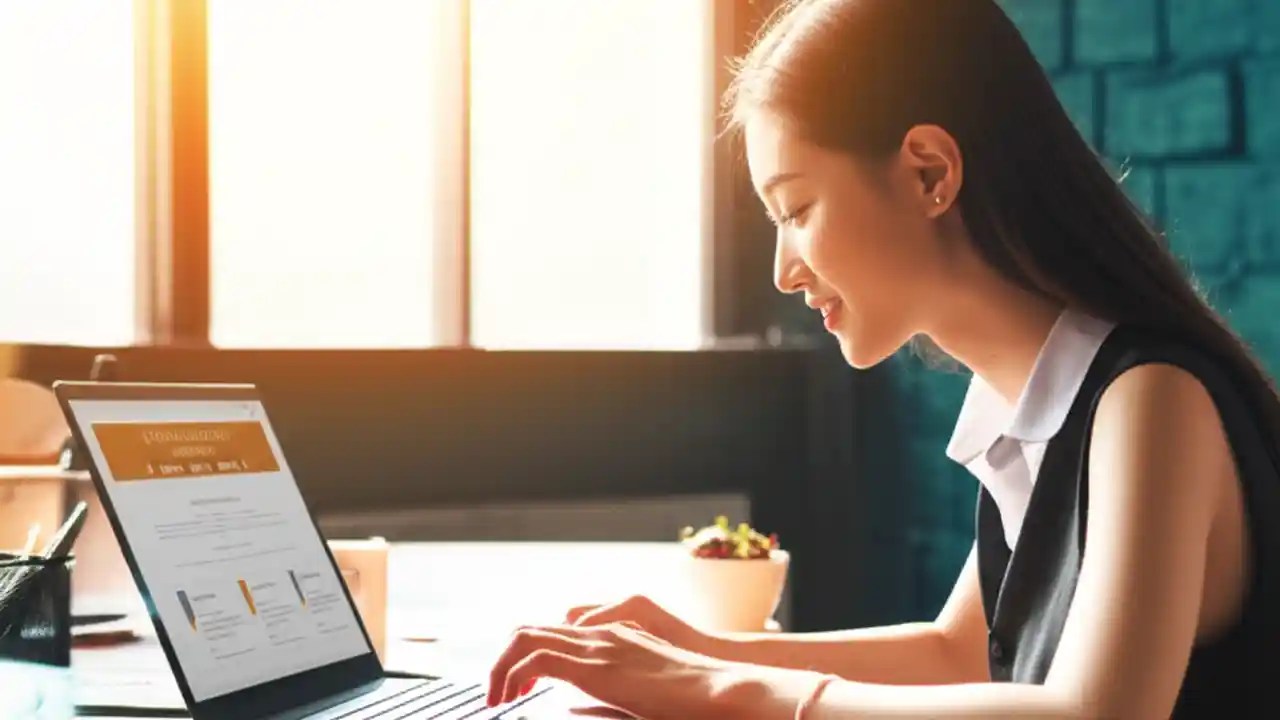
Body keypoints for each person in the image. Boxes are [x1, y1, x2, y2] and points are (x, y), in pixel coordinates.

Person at [486, 0, 1280, 717]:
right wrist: (690, 648)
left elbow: (1094, 716)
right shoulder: (1032, 407)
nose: (782, 270)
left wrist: (717, 687)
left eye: (795, 208)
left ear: (930, 172)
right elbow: (956, 655)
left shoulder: (1150, 399)